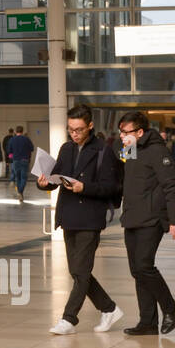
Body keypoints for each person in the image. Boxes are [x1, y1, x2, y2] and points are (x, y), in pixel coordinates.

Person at [37, 104, 123, 335]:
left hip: (90, 217)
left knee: (81, 271)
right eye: (71, 129)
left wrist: (84, 187)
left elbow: (111, 187)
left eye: (79, 129)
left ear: (90, 126)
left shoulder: (104, 151)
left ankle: (69, 319)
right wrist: (44, 183)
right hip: (69, 215)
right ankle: (109, 308)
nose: (74, 133)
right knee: (77, 271)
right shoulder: (66, 149)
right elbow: (57, 176)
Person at [115, 111, 175, 336]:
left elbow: (172, 186)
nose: (122, 137)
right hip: (132, 218)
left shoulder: (157, 151)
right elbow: (129, 180)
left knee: (144, 266)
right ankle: (148, 322)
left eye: (126, 133)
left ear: (140, 132)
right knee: (137, 271)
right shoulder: (131, 150)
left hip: (151, 219)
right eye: (121, 132)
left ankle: (171, 308)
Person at [8, 125, 34, 203]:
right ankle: (20, 192)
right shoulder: (26, 139)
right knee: (24, 178)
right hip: (24, 160)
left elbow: (9, 150)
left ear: (16, 131)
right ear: (22, 131)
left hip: (15, 160)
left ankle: (20, 193)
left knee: (18, 178)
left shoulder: (12, 139)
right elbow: (32, 148)